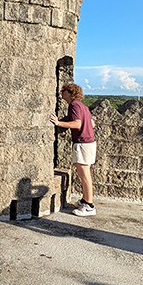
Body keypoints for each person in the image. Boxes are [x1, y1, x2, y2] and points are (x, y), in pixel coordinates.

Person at [49, 83, 97, 216]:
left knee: (84, 175)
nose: (61, 93)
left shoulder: (74, 105)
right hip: (89, 142)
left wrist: (59, 123)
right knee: (85, 174)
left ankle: (89, 206)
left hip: (82, 143)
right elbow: (92, 123)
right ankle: (85, 200)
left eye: (63, 91)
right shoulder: (83, 106)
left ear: (69, 93)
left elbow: (77, 123)